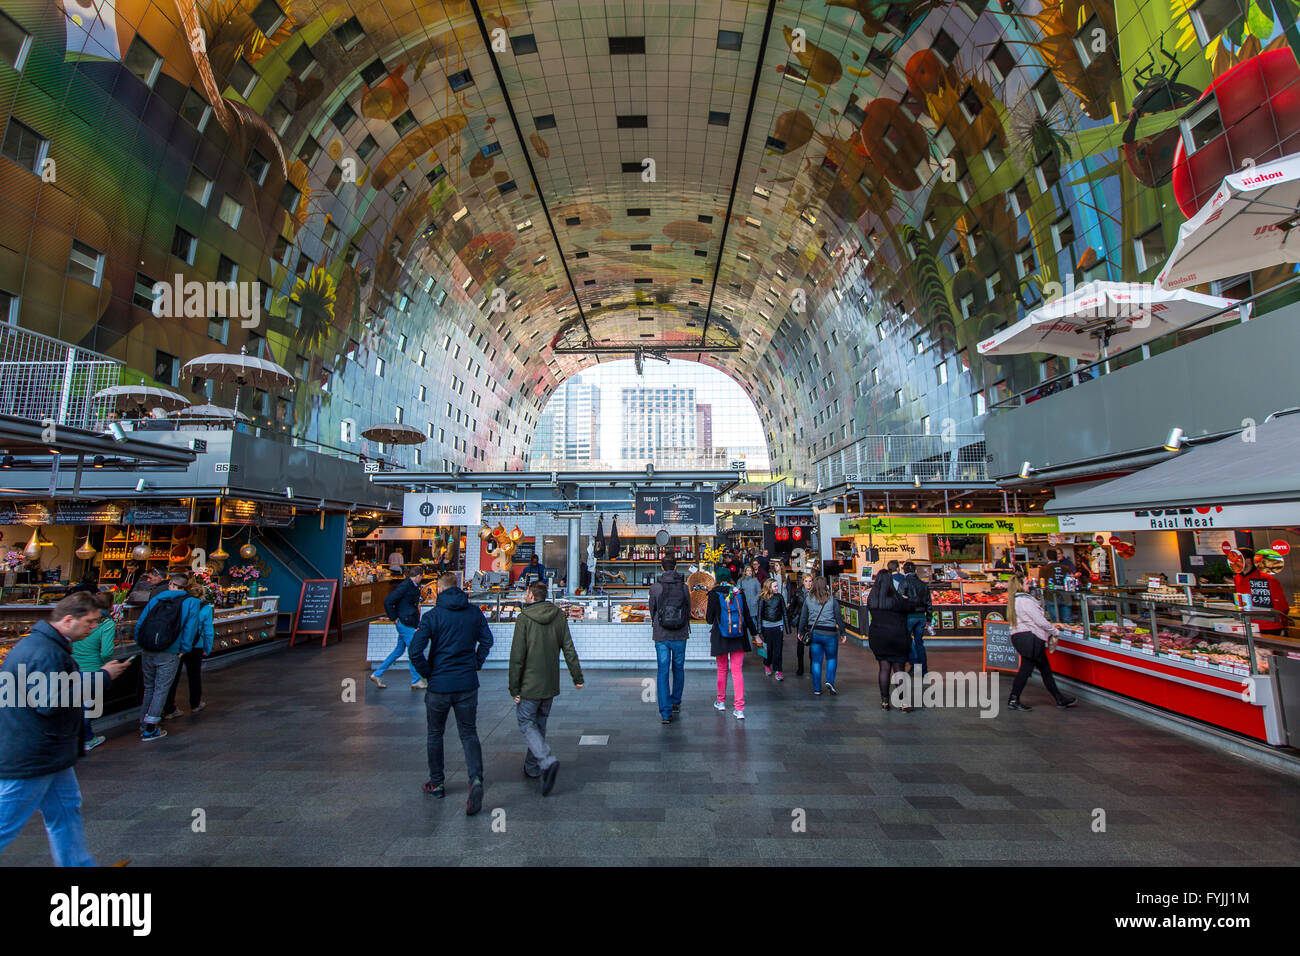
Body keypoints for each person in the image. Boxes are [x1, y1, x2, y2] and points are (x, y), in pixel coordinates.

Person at [0, 592, 130, 866]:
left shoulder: (44, 647)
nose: (94, 628)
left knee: (65, 811)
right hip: (33, 754)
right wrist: (102, 677)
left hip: (48, 751)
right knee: (6, 822)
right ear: (69, 619)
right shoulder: (44, 651)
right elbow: (51, 700)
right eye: (91, 622)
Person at [407, 572, 494, 815]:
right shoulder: (474, 613)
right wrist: (476, 663)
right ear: (456, 588)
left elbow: (415, 651)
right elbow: (487, 640)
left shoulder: (432, 616)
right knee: (469, 733)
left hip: (439, 686)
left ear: (440, 591)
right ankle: (475, 779)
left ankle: (436, 783)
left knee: (435, 734)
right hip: (467, 684)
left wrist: (429, 673)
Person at [508, 581, 583, 796]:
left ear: (531, 595)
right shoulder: (559, 616)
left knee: (525, 722)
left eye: (526, 593)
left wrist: (514, 687)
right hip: (550, 683)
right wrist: (577, 676)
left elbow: (517, 657)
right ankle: (533, 767)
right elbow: (569, 648)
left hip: (529, 683)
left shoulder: (523, 619)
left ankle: (546, 759)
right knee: (539, 723)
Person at [133, 573, 191, 741]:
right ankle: (150, 728)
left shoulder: (156, 599)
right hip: (170, 650)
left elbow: (141, 622)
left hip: (148, 649)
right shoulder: (189, 602)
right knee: (161, 688)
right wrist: (184, 649)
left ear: (171, 584)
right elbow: (189, 627)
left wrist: (140, 642)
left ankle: (143, 723)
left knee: (149, 687)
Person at [1006, 574, 1076, 710]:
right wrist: (1054, 631)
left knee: (1045, 669)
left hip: (1021, 637)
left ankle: (1059, 698)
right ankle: (1013, 699)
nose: (1029, 585)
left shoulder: (1014, 600)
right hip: (1030, 638)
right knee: (1026, 670)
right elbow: (1039, 621)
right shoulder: (1026, 601)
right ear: (1020, 585)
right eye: (1026, 583)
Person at [705, 568, 755, 719]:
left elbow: (708, 619)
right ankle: (739, 709)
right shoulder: (738, 592)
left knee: (722, 669)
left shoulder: (714, 594)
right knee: (737, 671)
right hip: (738, 636)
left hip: (721, 635)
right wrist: (755, 634)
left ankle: (721, 701)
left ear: (718, 579)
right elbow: (746, 615)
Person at [163, 579, 216, 719]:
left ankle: (169, 708)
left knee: (173, 677)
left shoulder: (180, 604)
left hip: (178, 645)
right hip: (196, 645)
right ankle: (195, 703)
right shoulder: (205, 608)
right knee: (194, 676)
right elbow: (208, 630)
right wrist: (207, 648)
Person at [71, 592, 118, 752]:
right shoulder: (106, 624)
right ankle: (87, 739)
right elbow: (106, 652)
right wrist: (107, 667)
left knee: (74, 704)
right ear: (111, 606)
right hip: (92, 669)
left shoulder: (80, 619)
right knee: (87, 707)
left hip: (73, 667)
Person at [648, 556, 691, 724]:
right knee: (679, 668)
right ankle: (675, 702)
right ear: (676, 567)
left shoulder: (655, 587)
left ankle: (665, 713)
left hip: (661, 635)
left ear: (661, 567)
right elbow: (689, 607)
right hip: (680, 634)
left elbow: (652, 610)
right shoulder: (684, 587)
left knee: (663, 671)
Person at [866, 568, 914, 711]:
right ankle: (903, 702)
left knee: (884, 668)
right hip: (897, 636)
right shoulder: (896, 599)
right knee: (899, 669)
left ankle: (885, 702)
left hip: (878, 637)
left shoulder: (872, 599)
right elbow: (911, 607)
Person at [372, 567, 427, 689]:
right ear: (418, 576)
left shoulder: (410, 585)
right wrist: (394, 618)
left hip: (406, 622)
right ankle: (416, 680)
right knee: (413, 651)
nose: (422, 578)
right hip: (405, 623)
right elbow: (388, 601)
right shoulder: (405, 586)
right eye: (422, 576)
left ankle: (377, 673)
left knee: (398, 651)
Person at [798, 576, 846, 696]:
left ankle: (817, 688)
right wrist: (843, 633)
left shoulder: (809, 599)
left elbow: (803, 617)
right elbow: (838, 617)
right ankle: (829, 680)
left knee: (816, 661)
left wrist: (800, 631)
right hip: (830, 633)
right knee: (831, 658)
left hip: (815, 633)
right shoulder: (832, 599)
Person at [899, 561, 932, 687]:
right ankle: (924, 670)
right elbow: (929, 603)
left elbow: (900, 599)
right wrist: (928, 618)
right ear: (915, 570)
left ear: (904, 570)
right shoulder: (923, 585)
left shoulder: (904, 582)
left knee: (907, 640)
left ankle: (914, 663)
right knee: (919, 642)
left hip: (909, 616)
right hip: (921, 617)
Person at [757, 577, 787, 679]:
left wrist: (787, 627)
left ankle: (778, 670)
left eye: (777, 586)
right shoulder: (762, 598)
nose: (777, 588)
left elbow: (784, 612)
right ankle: (767, 664)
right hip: (767, 627)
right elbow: (759, 614)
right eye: (775, 586)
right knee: (768, 649)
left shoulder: (780, 597)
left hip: (778, 626)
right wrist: (759, 630)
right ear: (769, 587)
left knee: (778, 649)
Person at [791, 572, 811, 677]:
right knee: (800, 644)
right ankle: (800, 667)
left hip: (812, 621)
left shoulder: (814, 593)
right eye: (806, 581)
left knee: (812, 644)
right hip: (801, 621)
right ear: (803, 582)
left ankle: (812, 666)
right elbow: (793, 605)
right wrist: (791, 618)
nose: (808, 583)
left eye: (810, 581)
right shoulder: (798, 592)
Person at [737, 563, 761, 636]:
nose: (749, 572)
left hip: (753, 603)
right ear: (745, 571)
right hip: (744, 603)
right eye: (748, 571)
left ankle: (754, 635)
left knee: (753, 619)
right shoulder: (741, 580)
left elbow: (759, 591)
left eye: (750, 571)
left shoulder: (755, 580)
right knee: (743, 618)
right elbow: (737, 590)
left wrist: (755, 599)